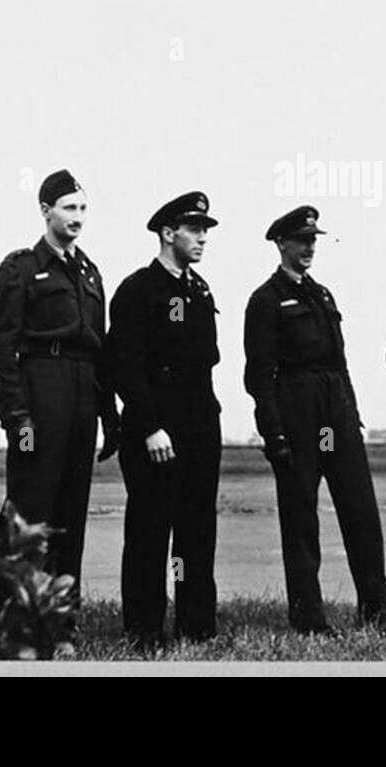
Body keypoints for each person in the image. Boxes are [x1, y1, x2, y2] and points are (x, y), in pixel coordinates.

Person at [0, 169, 118, 659]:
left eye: (82, 208)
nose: (77, 217)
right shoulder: (21, 269)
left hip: (82, 397)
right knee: (28, 517)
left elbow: (99, 353)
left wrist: (110, 418)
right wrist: (17, 421)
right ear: (45, 211)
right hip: (40, 395)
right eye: (68, 208)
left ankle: (61, 630)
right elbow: (2, 352)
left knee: (69, 519)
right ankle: (12, 632)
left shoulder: (90, 273)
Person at [243, 205, 386, 634]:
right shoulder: (266, 301)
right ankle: (309, 617)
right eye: (301, 240)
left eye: (313, 240)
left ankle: (378, 612)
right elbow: (259, 375)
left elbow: (340, 361)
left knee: (361, 511)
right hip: (296, 409)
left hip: (335, 414)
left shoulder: (323, 295)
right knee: (301, 518)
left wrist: (352, 413)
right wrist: (274, 433)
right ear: (280, 244)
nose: (309, 247)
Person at [108, 191, 222, 645]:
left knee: (197, 528)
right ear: (167, 233)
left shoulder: (199, 289)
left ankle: (197, 627)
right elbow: (124, 365)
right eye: (194, 229)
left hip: (199, 421)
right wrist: (152, 425)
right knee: (150, 530)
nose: (202, 238)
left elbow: (206, 359)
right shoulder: (138, 290)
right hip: (154, 425)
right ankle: (144, 630)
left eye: (205, 231)